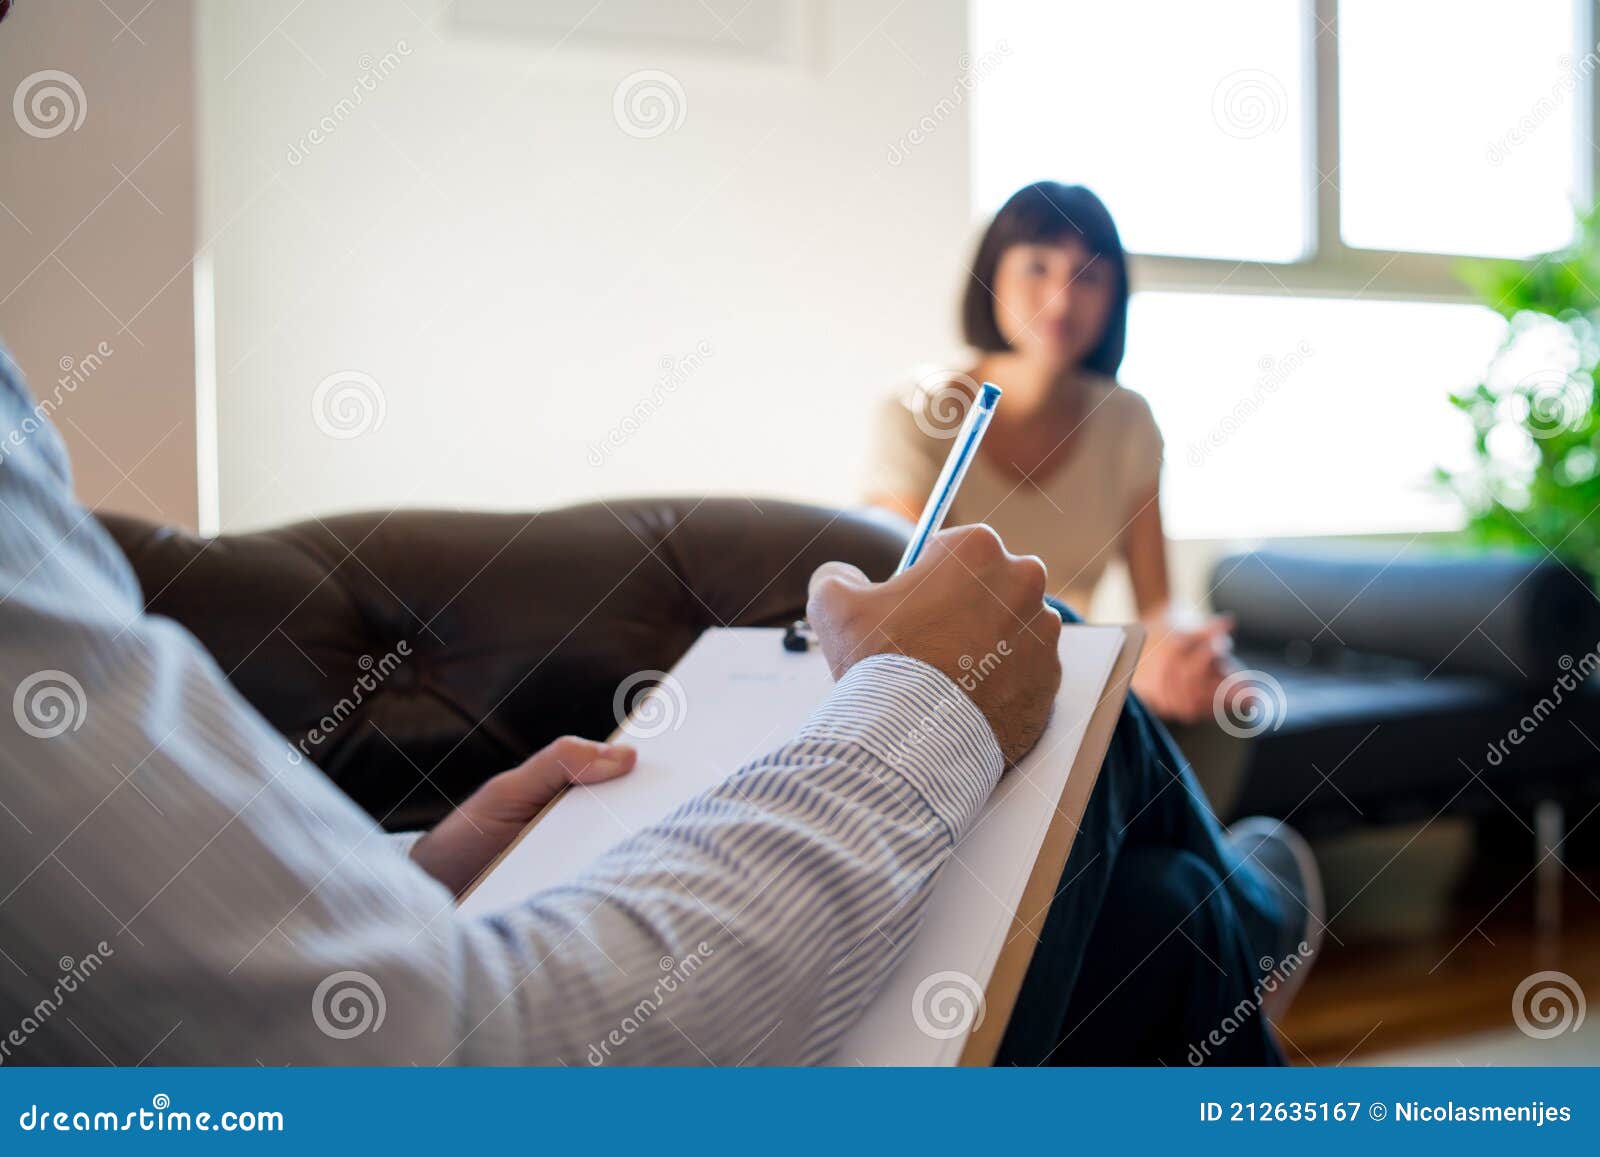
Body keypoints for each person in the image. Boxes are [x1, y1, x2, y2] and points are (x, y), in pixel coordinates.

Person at [0, 334, 1316, 1065]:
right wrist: (924, 698)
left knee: (1163, 915)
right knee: (1100, 747)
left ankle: (1239, 913)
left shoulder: (1121, 417)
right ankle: (1262, 913)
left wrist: (410, 876)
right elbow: (466, 1060)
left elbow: (146, 957)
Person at [868, 181, 1235, 728]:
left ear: (1114, 296)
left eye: (1088, 277)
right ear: (992, 273)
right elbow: (917, 606)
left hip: (1075, 689)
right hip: (949, 690)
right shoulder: (917, 411)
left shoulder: (1128, 420)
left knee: (1215, 694)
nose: (1062, 299)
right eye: (1038, 267)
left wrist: (1181, 648)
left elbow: (1156, 605)